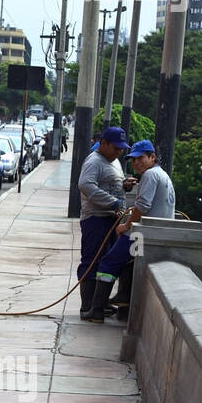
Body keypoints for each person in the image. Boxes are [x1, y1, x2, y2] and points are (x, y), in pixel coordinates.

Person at [84, 139, 175, 320]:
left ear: (152, 157)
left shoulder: (150, 176)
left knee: (108, 264)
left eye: (140, 158)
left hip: (140, 234)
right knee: (129, 262)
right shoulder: (162, 175)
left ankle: (97, 311)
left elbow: (142, 206)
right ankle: (123, 303)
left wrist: (125, 227)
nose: (136, 163)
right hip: (154, 234)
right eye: (133, 160)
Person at [77, 125, 129, 319]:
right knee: (92, 261)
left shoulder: (113, 161)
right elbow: (85, 184)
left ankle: (100, 304)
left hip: (111, 219)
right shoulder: (94, 161)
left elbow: (107, 182)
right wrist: (112, 202)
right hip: (95, 219)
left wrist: (123, 184)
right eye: (116, 147)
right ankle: (87, 307)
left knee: (105, 263)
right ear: (103, 143)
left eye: (121, 148)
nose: (119, 151)